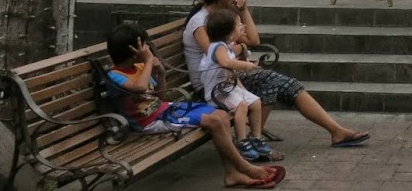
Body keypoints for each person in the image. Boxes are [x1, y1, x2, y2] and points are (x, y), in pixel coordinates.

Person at [184, 0, 370, 148]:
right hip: (211, 84)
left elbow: (253, 40)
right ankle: (254, 140)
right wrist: (240, 48)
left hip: (229, 77)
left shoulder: (220, 17)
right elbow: (216, 55)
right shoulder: (200, 22)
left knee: (288, 85)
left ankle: (336, 131)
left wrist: (243, 12)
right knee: (273, 83)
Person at [105, 23, 285, 189]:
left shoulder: (138, 67)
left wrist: (160, 73)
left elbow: (159, 97)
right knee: (214, 121)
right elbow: (140, 88)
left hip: (164, 110)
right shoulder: (115, 76)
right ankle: (245, 167)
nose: (148, 49)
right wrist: (148, 63)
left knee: (221, 115)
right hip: (149, 122)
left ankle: (232, 174)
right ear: (134, 50)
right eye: (144, 45)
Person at [199, 10, 273, 163]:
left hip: (228, 88)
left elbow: (231, 73)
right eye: (239, 25)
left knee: (255, 102)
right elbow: (226, 63)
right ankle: (242, 141)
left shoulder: (226, 46)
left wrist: (244, 91)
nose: (242, 26)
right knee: (242, 105)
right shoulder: (218, 47)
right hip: (216, 93)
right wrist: (246, 65)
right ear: (230, 34)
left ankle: (256, 138)